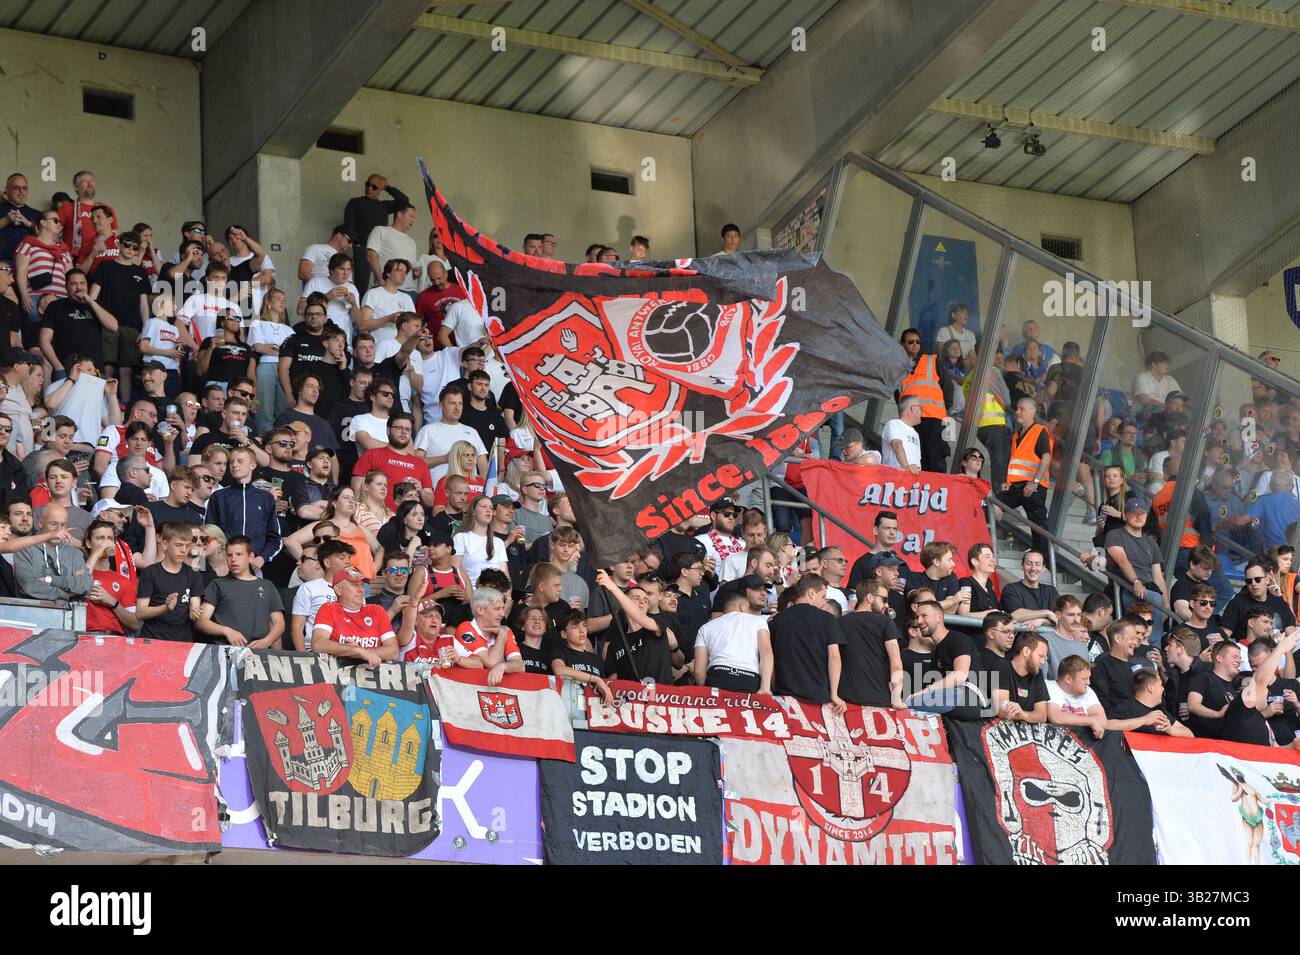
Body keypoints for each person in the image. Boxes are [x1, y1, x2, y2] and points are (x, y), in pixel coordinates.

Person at [768, 574, 845, 709]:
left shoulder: (777, 621)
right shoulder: (828, 619)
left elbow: (770, 658)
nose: (824, 602)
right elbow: (834, 657)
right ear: (811, 593)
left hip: (783, 697)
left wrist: (773, 688)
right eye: (823, 597)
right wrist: (834, 694)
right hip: (818, 698)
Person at [193, 535, 285, 648]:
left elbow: (279, 623)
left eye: (239, 554)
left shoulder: (267, 585)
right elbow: (201, 621)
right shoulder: (217, 584)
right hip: (225, 650)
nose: (233, 559)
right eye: (229, 555)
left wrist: (267, 641)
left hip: (260, 651)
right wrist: (227, 631)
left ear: (251, 556)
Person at [836, 580, 905, 708]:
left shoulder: (840, 622)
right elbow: (896, 662)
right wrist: (896, 699)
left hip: (845, 700)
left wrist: (834, 695)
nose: (886, 605)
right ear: (869, 597)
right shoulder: (885, 622)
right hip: (879, 699)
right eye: (884, 600)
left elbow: (833, 659)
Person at [311, 565, 397, 667]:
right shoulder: (329, 609)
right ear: (338, 589)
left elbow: (393, 651)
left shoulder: (377, 610)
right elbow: (318, 644)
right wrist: (358, 651)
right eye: (354, 585)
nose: (361, 589)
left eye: (361, 585)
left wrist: (360, 652)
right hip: (337, 676)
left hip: (372, 676)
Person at [996, 397, 1052, 553]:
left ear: (1033, 412)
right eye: (1017, 408)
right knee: (992, 504)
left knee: (1038, 524)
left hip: (1032, 487)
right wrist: (1008, 482)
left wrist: (1034, 482)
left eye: (1022, 409)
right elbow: (1016, 463)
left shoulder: (1039, 431)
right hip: (1016, 487)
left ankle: (1043, 558)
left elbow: (1046, 457)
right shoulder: (1017, 435)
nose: (1017, 412)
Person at [691, 588, 772, 693]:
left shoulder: (706, 627)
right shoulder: (758, 621)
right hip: (749, 680)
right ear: (742, 607)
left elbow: (698, 672)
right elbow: (766, 652)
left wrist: (704, 690)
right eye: (748, 607)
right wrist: (765, 688)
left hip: (717, 678)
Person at [12, 503, 94, 602]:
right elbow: (29, 586)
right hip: (33, 614)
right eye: (54, 524)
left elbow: (85, 584)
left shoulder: (75, 553)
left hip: (68, 615)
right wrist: (68, 594)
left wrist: (50, 580)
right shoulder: (24, 549)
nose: (59, 529)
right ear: (40, 523)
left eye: (63, 524)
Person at [352, 412, 434, 508]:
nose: (404, 432)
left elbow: (430, 502)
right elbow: (356, 489)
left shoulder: (420, 464)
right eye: (399, 428)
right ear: (388, 430)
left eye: (408, 429)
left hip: (409, 519)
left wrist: (421, 491)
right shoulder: (371, 455)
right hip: (377, 518)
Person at [895, 330, 950, 472]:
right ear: (902, 345)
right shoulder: (899, 369)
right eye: (910, 342)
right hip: (911, 421)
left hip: (934, 418)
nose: (915, 344)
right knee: (916, 459)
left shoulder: (932, 360)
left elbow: (948, 388)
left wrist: (944, 410)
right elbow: (898, 396)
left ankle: (939, 490)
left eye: (917, 342)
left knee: (936, 458)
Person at [450, 587, 523, 685]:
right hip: (468, 688)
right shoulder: (466, 628)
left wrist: (503, 667)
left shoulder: (506, 630)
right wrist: (501, 637)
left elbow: (520, 666)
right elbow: (491, 663)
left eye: (503, 608)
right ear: (480, 610)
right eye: (497, 609)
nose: (502, 614)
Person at [1220, 556, 1296, 641]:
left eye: (1258, 579)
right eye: (1249, 581)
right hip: (1249, 651)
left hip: (1277, 649)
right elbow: (1224, 635)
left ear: (1267, 579)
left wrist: (1279, 598)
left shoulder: (1277, 600)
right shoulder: (1237, 603)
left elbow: (1291, 632)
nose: (1253, 584)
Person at [1091, 617, 1151, 714]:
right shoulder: (1100, 666)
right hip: (1118, 724)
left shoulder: (1134, 667)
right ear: (1118, 638)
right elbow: (1103, 704)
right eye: (1132, 638)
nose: (1135, 642)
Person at [992, 631, 1050, 723]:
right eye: (1040, 656)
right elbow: (1002, 711)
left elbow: (1042, 716)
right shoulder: (1000, 667)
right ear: (1026, 651)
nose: (1043, 662)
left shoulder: (1037, 673)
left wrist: (1023, 714)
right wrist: (1029, 716)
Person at [1046, 655, 1108, 737]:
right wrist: (1091, 721)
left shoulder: (1087, 690)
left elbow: (1103, 720)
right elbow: (1056, 717)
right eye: (1084, 679)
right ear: (1068, 679)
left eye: (1089, 678)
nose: (1088, 683)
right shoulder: (1050, 687)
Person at [999, 550, 1060, 625]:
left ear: (1043, 568)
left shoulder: (1051, 591)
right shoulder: (1011, 589)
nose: (1033, 568)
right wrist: (1047, 613)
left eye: (1037, 564)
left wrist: (1042, 621)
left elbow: (1060, 619)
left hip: (1047, 637)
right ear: (1022, 566)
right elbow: (1015, 616)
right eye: (1029, 563)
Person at [1248, 468, 1300, 548]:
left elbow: (1245, 522)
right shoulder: (1298, 504)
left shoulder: (1264, 500)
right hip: (1292, 553)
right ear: (1292, 487)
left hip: (1270, 552)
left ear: (1271, 485)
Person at [880, 396, 923, 474]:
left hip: (911, 482)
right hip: (893, 478)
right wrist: (907, 467)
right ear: (913, 408)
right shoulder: (894, 423)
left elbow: (917, 461)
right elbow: (897, 444)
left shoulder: (915, 434)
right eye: (921, 408)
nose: (922, 413)